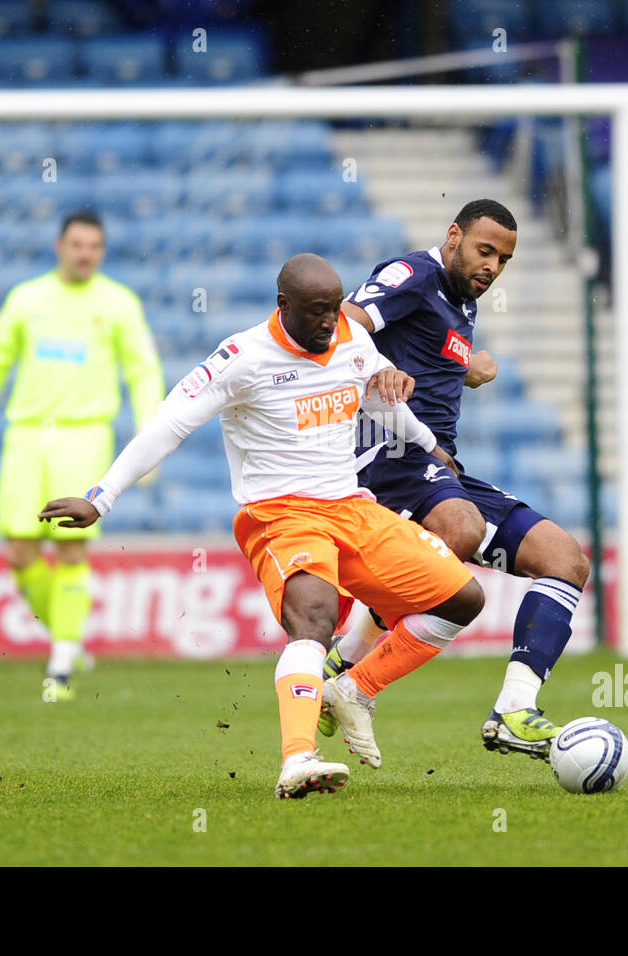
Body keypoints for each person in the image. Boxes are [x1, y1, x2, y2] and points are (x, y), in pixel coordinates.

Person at [39, 254, 486, 798]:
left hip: (352, 507)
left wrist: (427, 443)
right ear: (285, 306)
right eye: (317, 312)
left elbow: (376, 397)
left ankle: (355, 689)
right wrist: (101, 497)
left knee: (461, 599)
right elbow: (168, 426)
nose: (330, 321)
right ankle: (298, 759)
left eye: (334, 308)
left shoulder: (350, 336)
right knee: (315, 621)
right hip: (281, 514)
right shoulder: (241, 357)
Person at [329, 199, 591, 760]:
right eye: (484, 250)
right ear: (453, 236)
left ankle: (515, 710)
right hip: (389, 458)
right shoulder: (414, 275)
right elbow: (345, 323)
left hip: (440, 465)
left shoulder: (461, 303)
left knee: (566, 560)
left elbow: (426, 353)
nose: (492, 267)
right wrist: (378, 369)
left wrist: (468, 367)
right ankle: (353, 668)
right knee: (460, 530)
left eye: (504, 260)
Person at [0, 211, 164, 698]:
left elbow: (142, 370)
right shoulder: (27, 299)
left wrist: (151, 435)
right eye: (77, 244)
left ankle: (62, 661)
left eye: (94, 246)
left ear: (101, 252)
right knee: (19, 553)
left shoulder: (118, 303)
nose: (85, 253)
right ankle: (70, 634)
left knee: (70, 547)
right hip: (25, 437)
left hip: (84, 436)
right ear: (60, 246)